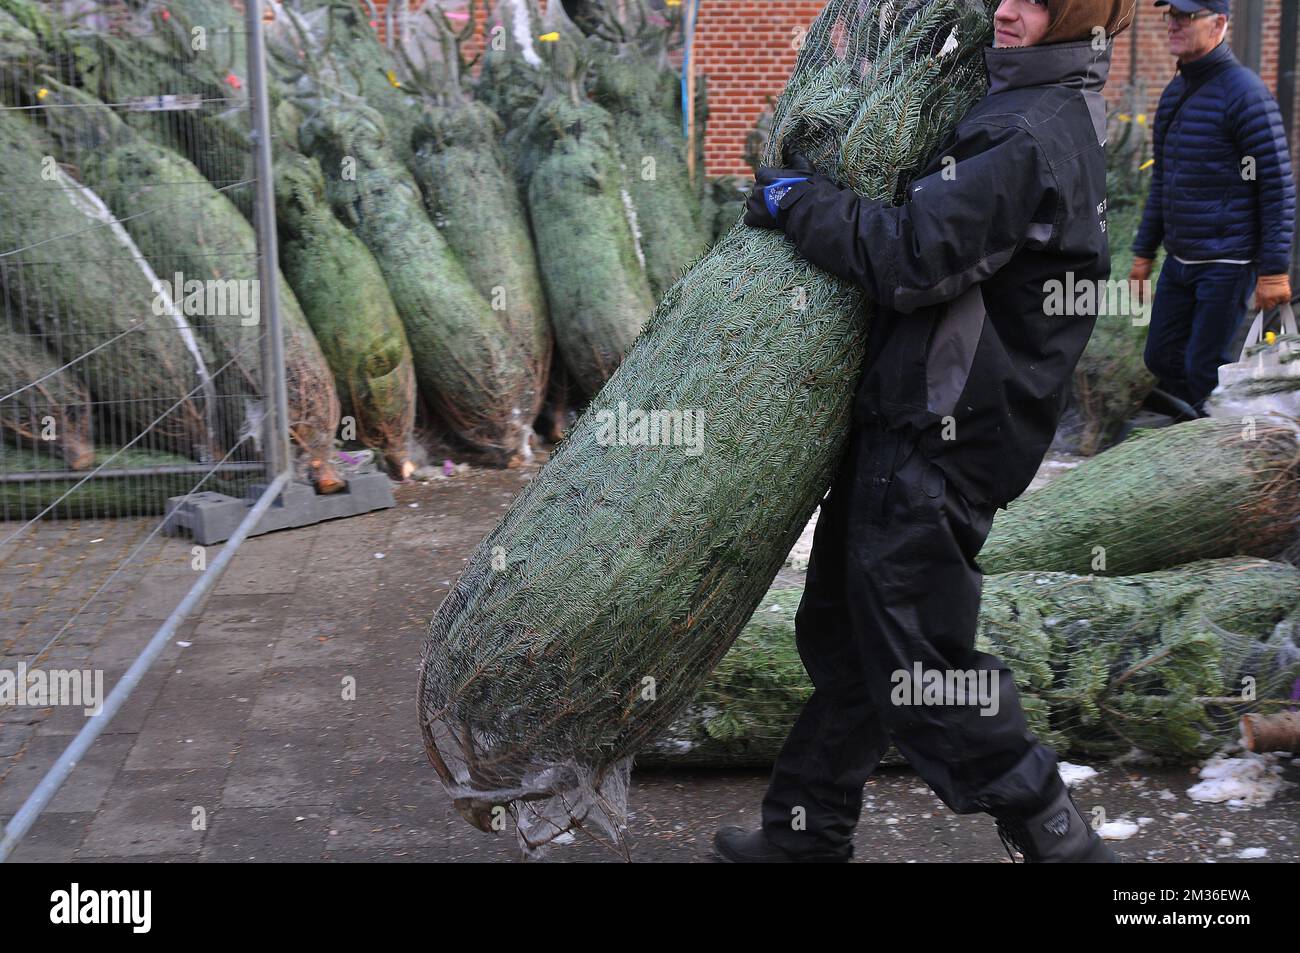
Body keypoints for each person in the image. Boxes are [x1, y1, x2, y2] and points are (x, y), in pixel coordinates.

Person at [715, 0, 1133, 864]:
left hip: (939, 436)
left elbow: (914, 256)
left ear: (1080, 18)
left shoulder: (1024, 131)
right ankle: (804, 833)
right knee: (851, 635)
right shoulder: (1025, 104)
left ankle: (1058, 833)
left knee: (918, 656)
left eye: (1041, 0)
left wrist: (803, 204)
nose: (1012, 9)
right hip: (925, 420)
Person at [1131, 0, 1295, 416]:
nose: (1173, 25)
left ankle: (1218, 450)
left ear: (1219, 23)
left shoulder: (1246, 94)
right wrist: (1143, 253)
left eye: (1185, 17)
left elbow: (1276, 186)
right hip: (1180, 259)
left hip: (1228, 262)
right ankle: (1209, 426)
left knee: (1205, 368)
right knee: (1161, 358)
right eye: (1170, 16)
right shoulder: (1175, 93)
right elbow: (1163, 180)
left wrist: (1274, 270)